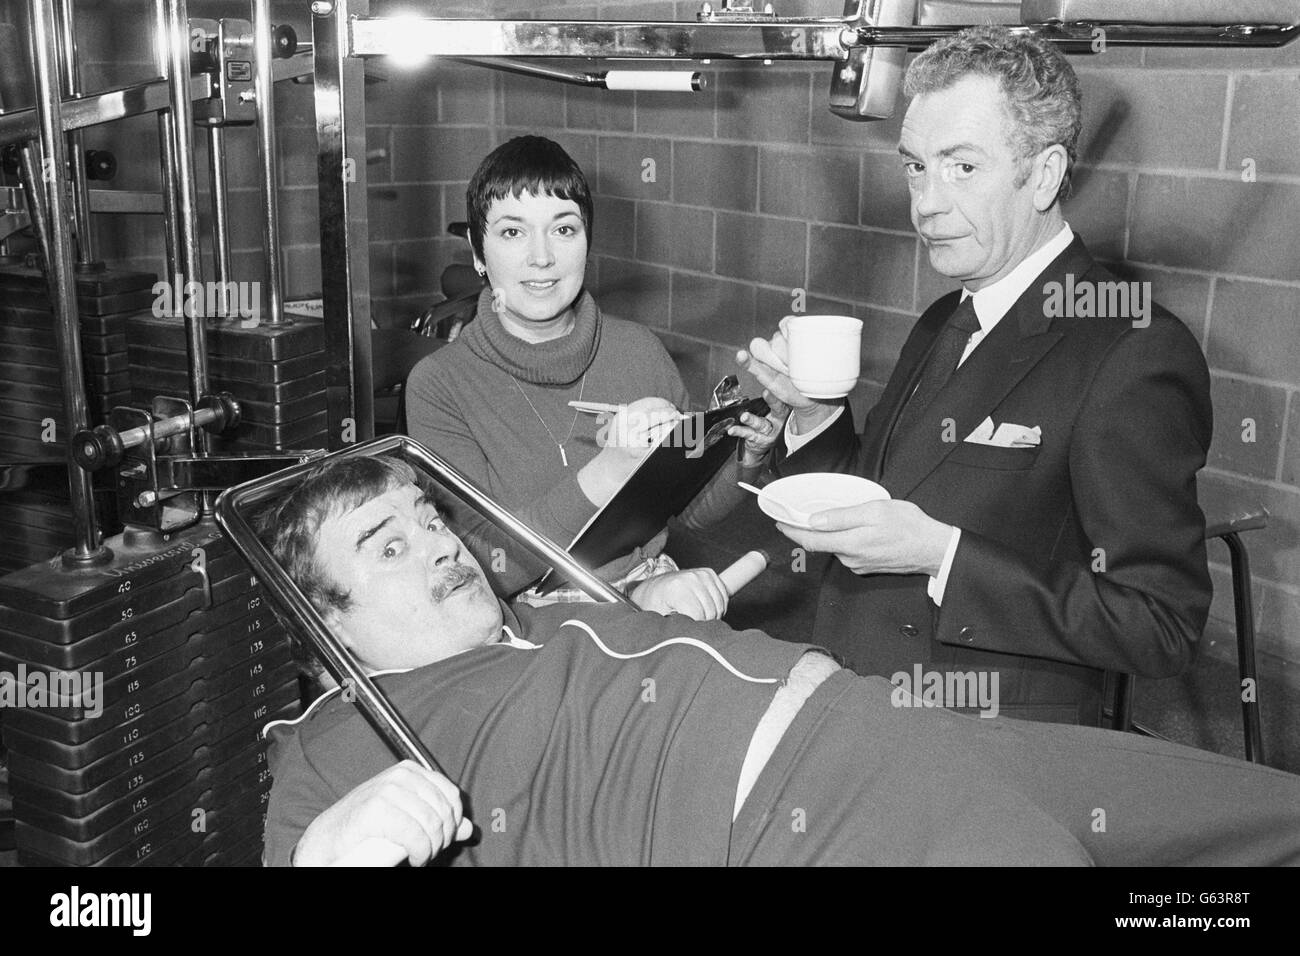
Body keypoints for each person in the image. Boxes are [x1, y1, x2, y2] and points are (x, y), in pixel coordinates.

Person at [258, 455, 1299, 867]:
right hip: (820, 829)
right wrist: (322, 864)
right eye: (388, 545)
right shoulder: (333, 746)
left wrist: (643, 610)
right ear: (331, 621)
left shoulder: (543, 611)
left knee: (1253, 815)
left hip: (899, 731)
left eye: (428, 516)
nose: (439, 541)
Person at [739, 26, 1213, 725]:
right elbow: (886, 499)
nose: (927, 203)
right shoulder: (944, 318)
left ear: (1045, 174)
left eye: (962, 167)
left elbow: (1160, 622)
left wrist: (944, 558)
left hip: (989, 749)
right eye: (915, 167)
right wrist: (812, 419)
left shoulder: (1131, 350)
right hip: (859, 708)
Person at [404, 136, 778, 621]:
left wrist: (745, 458)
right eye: (513, 234)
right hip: (521, 624)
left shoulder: (638, 350)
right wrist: (608, 471)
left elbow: (688, 512)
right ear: (478, 251)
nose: (542, 258)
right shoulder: (439, 386)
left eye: (563, 229)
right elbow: (485, 567)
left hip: (654, 597)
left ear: (587, 241)